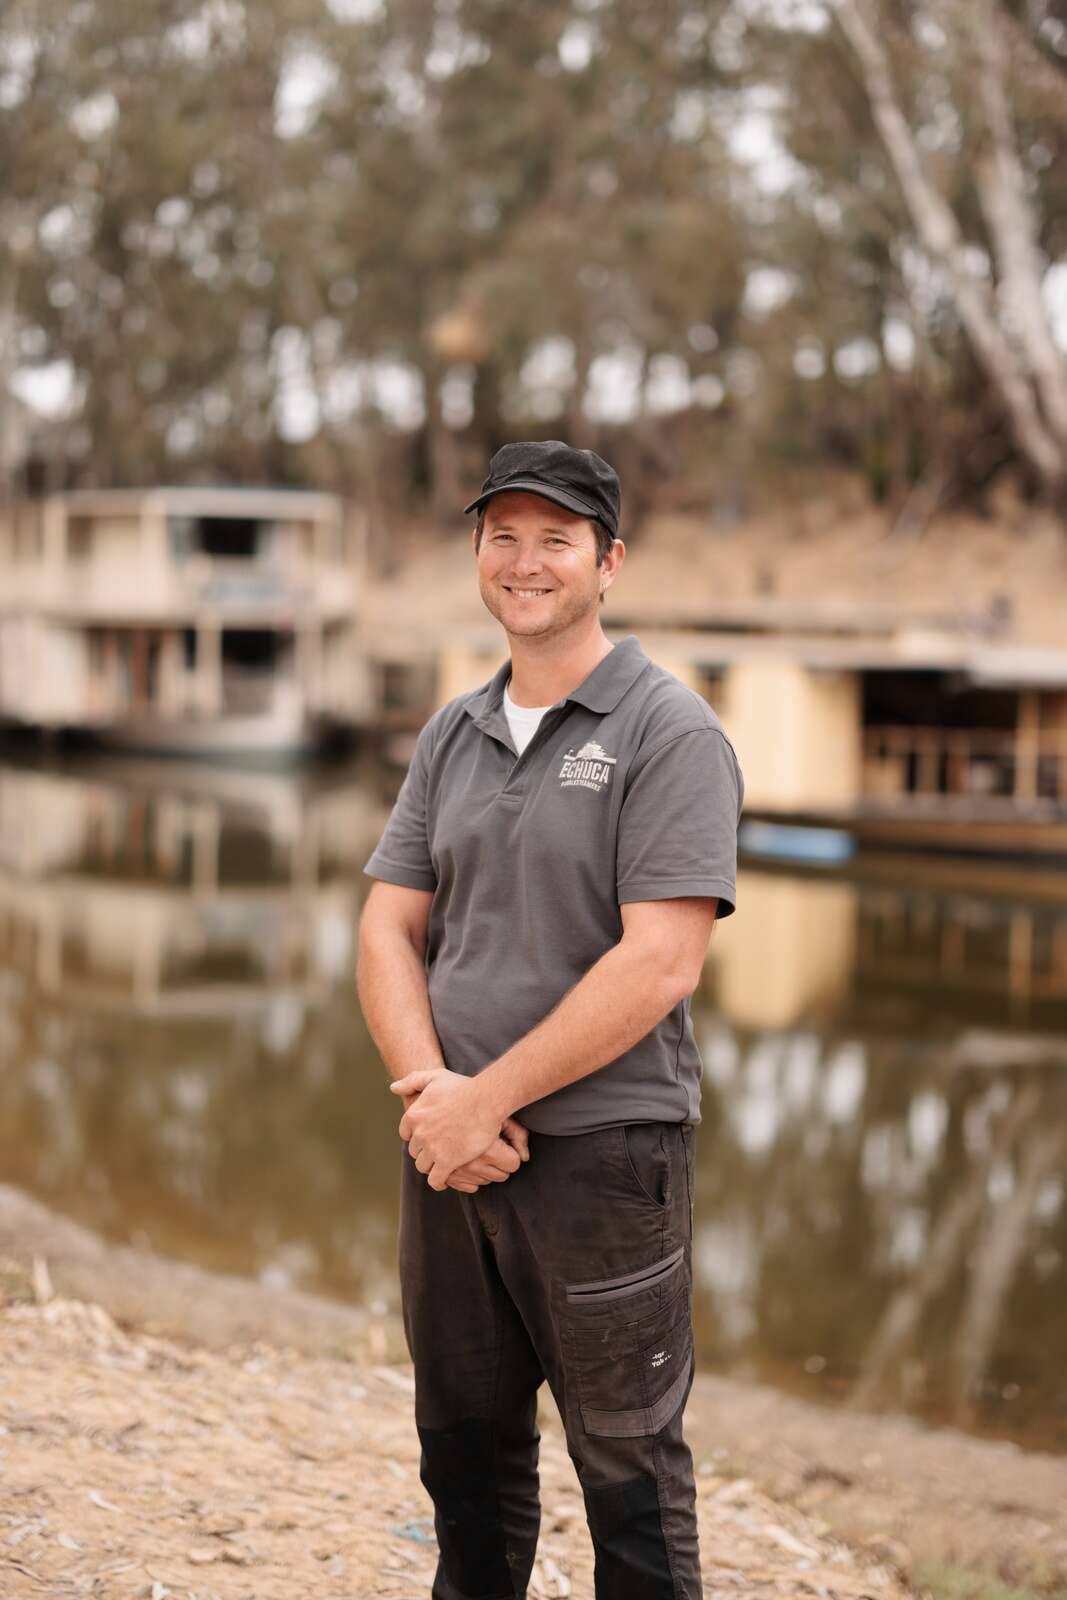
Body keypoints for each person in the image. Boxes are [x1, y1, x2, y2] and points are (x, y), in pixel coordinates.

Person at [357, 439, 744, 1600]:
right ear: (478, 551)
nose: (525, 562)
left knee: (628, 1475)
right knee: (464, 1463)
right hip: (450, 1156)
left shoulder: (669, 731)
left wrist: (486, 1097)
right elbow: (386, 929)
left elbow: (661, 960)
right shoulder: (452, 730)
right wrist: (435, 1099)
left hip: (602, 1160)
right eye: (503, 536)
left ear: (608, 562)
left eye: (556, 540)